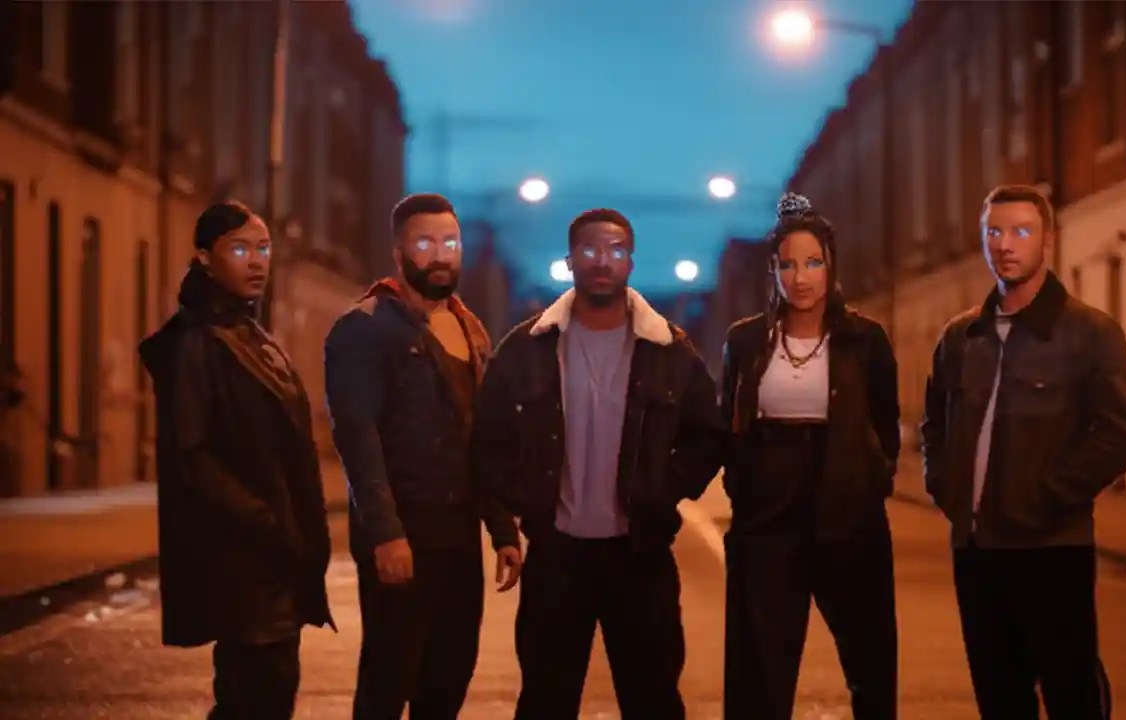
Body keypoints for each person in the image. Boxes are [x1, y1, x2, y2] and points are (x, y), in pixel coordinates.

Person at [471, 208, 724, 719]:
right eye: (589, 250)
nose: (601, 261)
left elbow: (709, 436)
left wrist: (661, 489)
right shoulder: (528, 348)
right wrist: (510, 520)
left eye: (615, 250)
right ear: (569, 262)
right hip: (557, 556)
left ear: (630, 261)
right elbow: (488, 443)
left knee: (652, 698)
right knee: (545, 698)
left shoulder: (668, 350)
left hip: (640, 554)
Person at [921, 184, 1126, 719]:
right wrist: (947, 489)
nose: (1005, 244)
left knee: (1072, 696)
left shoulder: (1090, 334)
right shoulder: (960, 336)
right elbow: (934, 426)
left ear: (1049, 241)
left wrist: (1047, 497)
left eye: (1021, 231)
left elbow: (1118, 433)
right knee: (1000, 700)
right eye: (993, 232)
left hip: (1052, 549)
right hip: (976, 553)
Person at [324, 193, 522, 720]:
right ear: (399, 253)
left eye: (450, 243)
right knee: (389, 679)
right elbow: (357, 435)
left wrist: (501, 530)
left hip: (458, 533)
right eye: (425, 243)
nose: (440, 255)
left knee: (449, 675)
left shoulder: (469, 329)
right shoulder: (365, 327)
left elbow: (481, 438)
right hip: (403, 529)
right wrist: (386, 532)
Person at [139, 200, 334, 719]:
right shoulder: (197, 343)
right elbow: (192, 456)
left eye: (263, 249)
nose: (256, 262)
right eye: (240, 249)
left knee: (266, 694)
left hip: (275, 561)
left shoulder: (251, 336)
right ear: (204, 257)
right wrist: (267, 522)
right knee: (253, 697)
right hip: (242, 560)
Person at [719, 193, 901, 719]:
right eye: (788, 265)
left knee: (869, 660)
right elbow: (729, 422)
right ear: (772, 270)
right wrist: (744, 487)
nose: (801, 277)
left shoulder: (864, 340)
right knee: (761, 671)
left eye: (813, 263)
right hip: (768, 517)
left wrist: (871, 481)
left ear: (831, 266)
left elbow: (884, 427)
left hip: (849, 515)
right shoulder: (747, 340)